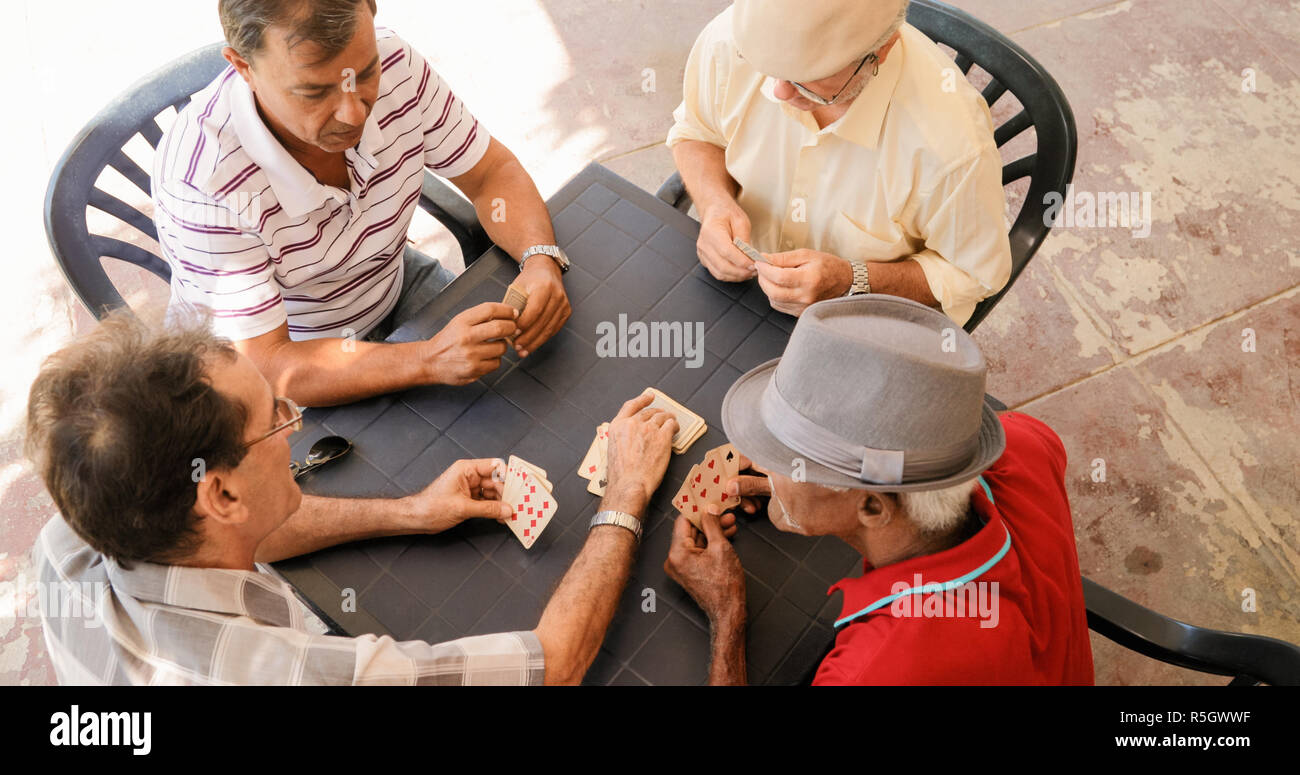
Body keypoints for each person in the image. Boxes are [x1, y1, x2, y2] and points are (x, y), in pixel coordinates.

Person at [26, 314, 676, 685]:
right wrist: (622, 496)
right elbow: (552, 663)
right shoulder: (289, 678)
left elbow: (234, 530)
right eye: (276, 418)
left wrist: (412, 511)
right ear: (220, 489)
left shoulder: (73, 535)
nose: (297, 424)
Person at [154, 0, 572, 407]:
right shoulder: (199, 182)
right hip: (294, 357)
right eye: (314, 93)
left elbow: (491, 173)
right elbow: (266, 364)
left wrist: (539, 260)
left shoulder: (397, 66)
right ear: (244, 67)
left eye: (365, 73)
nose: (354, 114)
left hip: (391, 282)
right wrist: (427, 359)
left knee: (533, 396)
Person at [662, 295, 1095, 685]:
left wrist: (727, 612)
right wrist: (810, 489)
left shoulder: (873, 669)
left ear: (871, 505)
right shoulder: (1026, 443)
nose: (770, 464)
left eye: (790, 460)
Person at [668, 0, 1011, 324]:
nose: (780, 93)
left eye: (807, 77)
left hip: (862, 324)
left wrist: (853, 281)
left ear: (883, 48)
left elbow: (970, 274)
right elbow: (698, 132)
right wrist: (715, 204)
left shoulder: (953, 147)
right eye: (769, 68)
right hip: (736, 292)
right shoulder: (732, 38)